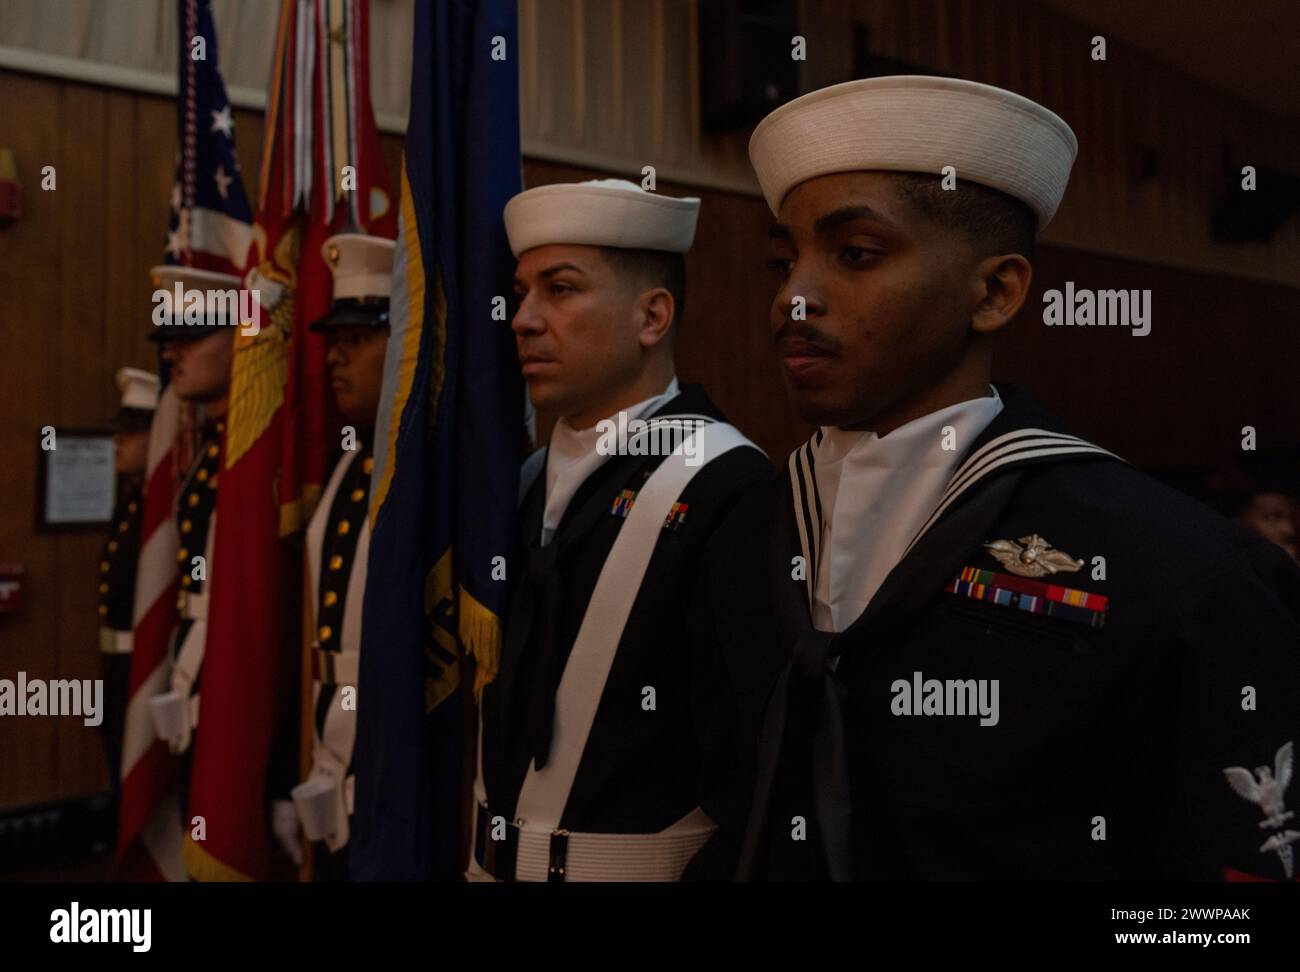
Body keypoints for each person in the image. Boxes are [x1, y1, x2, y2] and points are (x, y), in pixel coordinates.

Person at [714, 75, 1300, 881]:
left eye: (855, 254)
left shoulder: (1173, 566)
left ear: (994, 292)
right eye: (784, 259)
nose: (795, 298)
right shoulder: (747, 527)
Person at [468, 179, 772, 881]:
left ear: (652, 316)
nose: (523, 318)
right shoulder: (519, 483)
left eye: (561, 289)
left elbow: (757, 772)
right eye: (521, 292)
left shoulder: (728, 486)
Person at [278, 232, 394, 880]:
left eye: (358, 341)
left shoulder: (419, 479)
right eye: (333, 343)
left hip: (383, 750)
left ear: (401, 340)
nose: (335, 360)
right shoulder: (351, 461)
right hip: (328, 736)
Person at [144, 265, 236, 782]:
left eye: (191, 336)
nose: (169, 353)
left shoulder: (254, 460)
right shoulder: (208, 453)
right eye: (168, 339)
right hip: (194, 663)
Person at [97, 367, 160, 797]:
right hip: (117, 676)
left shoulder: (158, 509)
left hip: (146, 671)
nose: (118, 442)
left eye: (132, 432)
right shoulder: (130, 501)